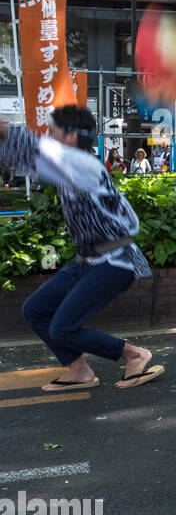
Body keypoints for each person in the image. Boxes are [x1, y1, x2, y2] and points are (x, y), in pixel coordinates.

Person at [0, 106, 163, 391]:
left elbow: (26, 144)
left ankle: (135, 354)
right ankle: (78, 369)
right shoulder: (69, 165)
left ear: (72, 137)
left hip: (117, 260)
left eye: (53, 132)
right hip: (89, 260)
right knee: (36, 309)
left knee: (62, 327)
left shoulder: (82, 164)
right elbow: (24, 151)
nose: (47, 137)